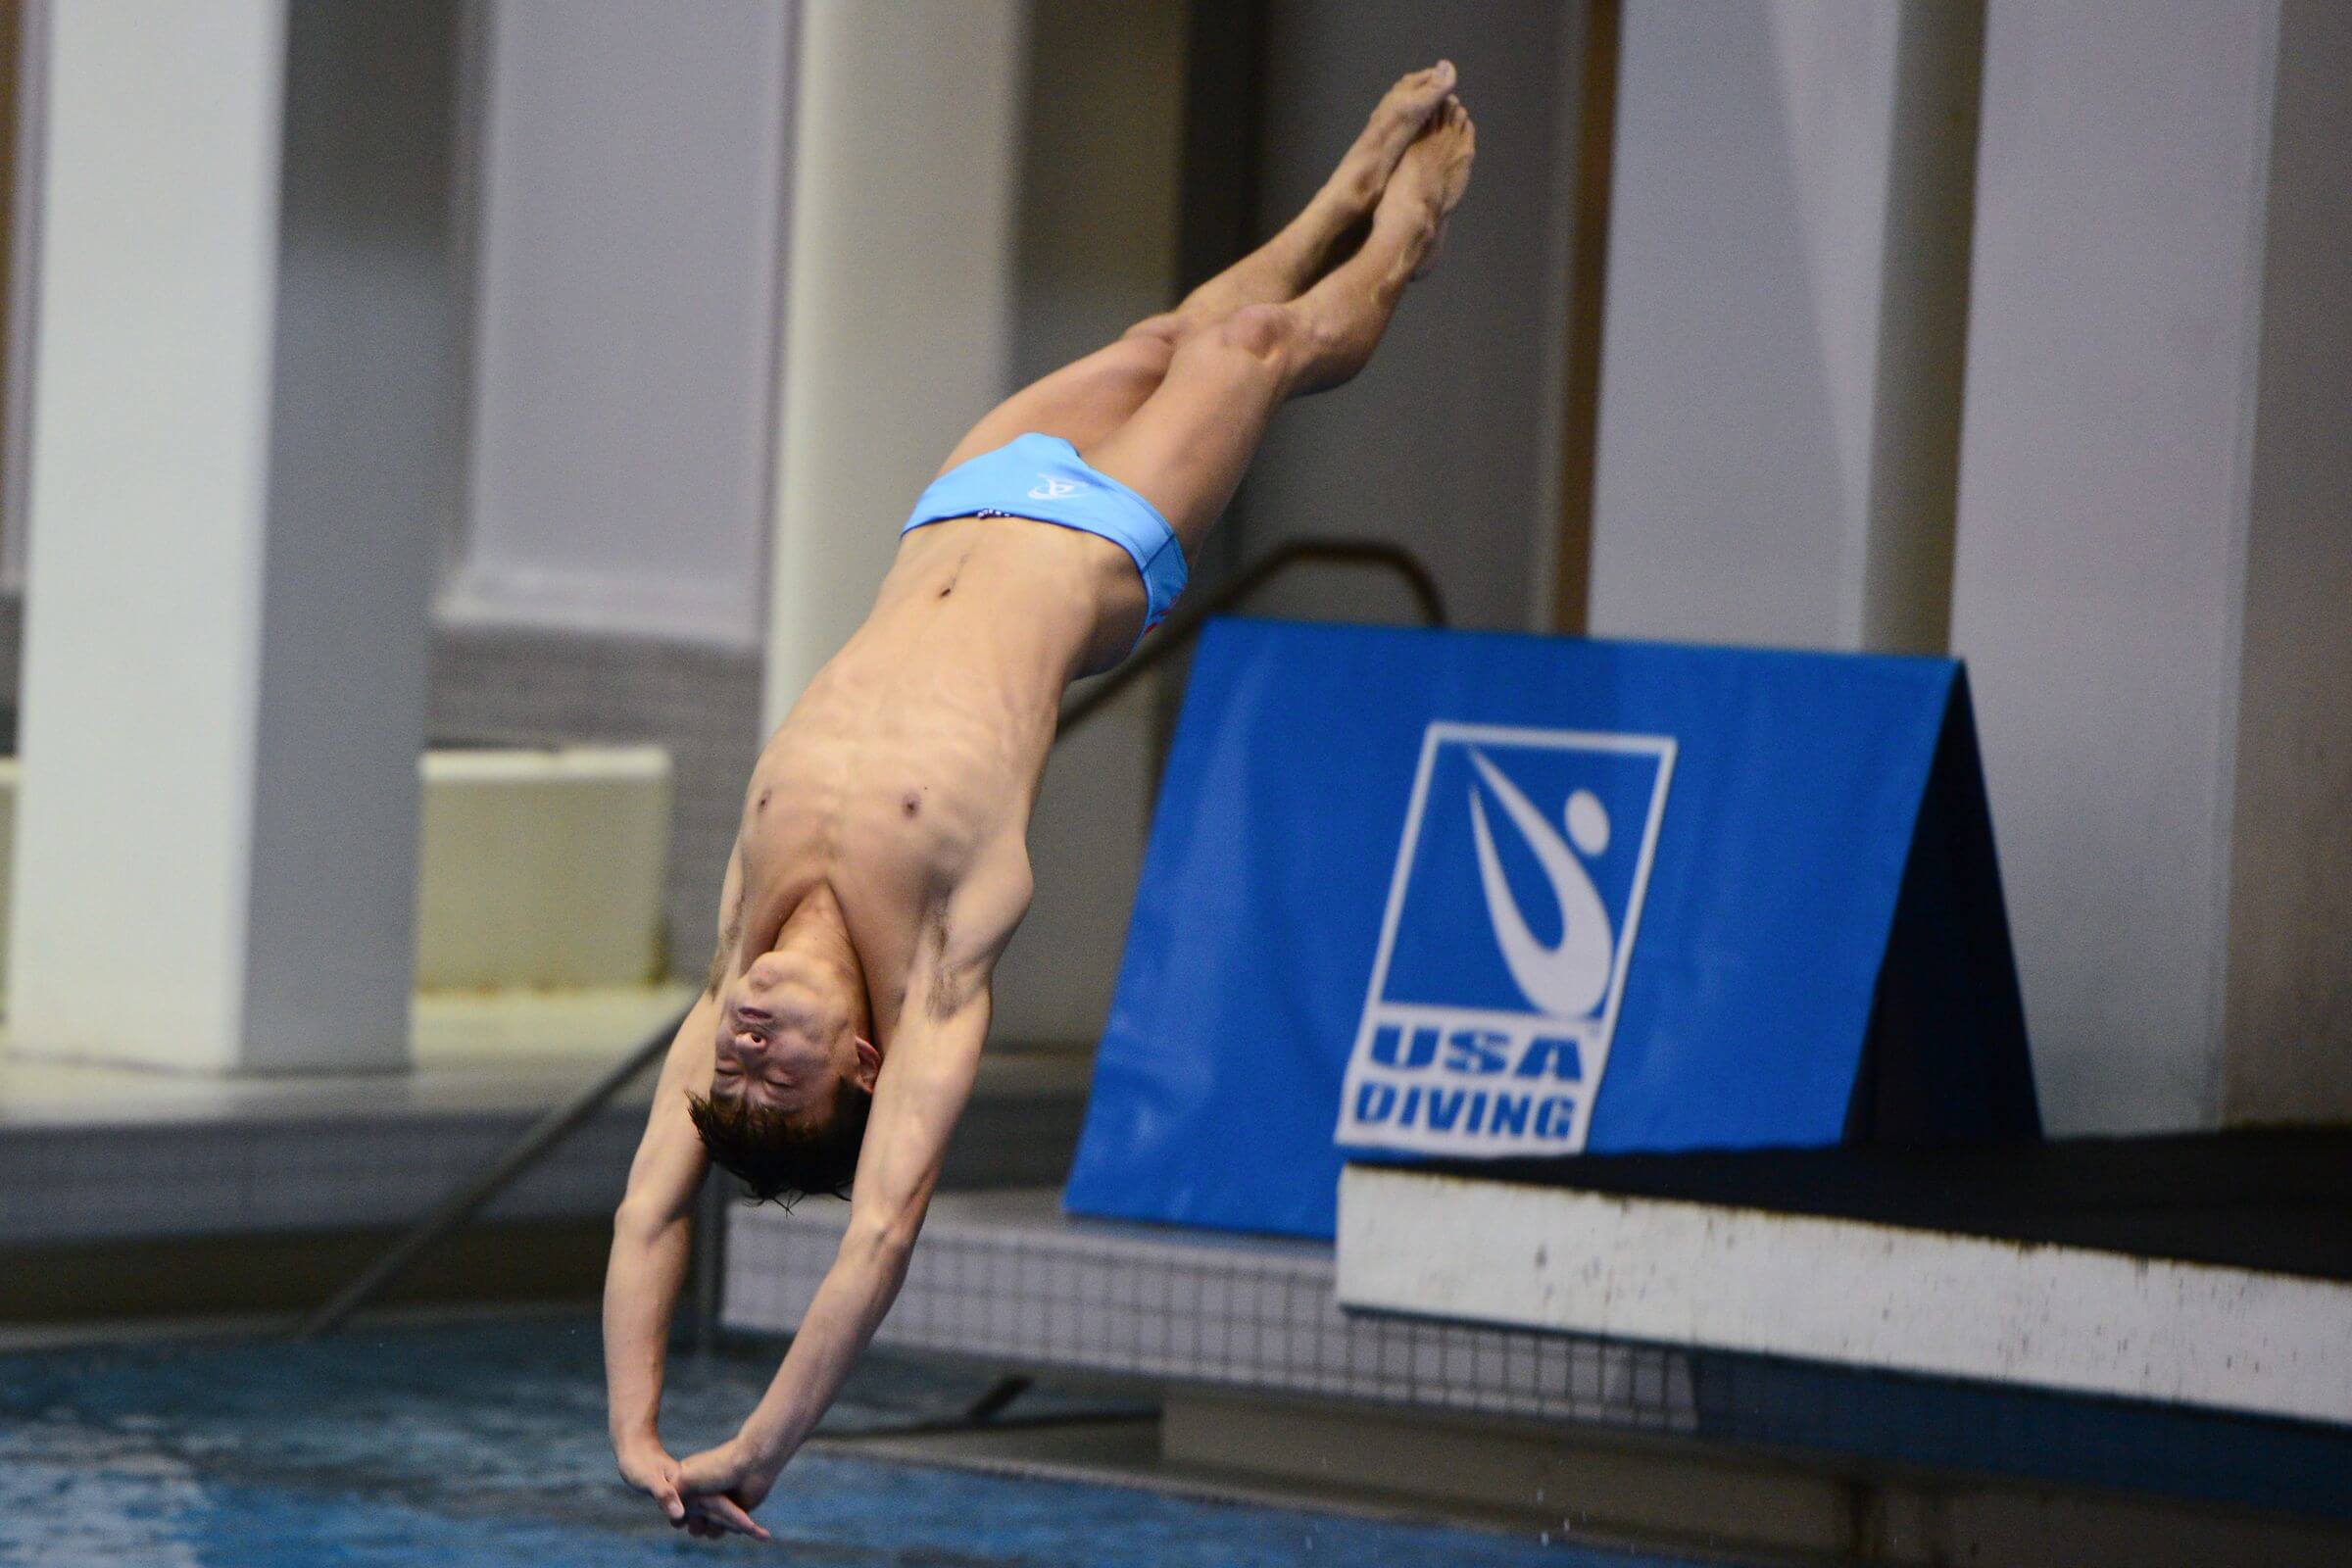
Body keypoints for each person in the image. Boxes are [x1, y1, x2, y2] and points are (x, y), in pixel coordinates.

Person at [602, 64, 1475, 1542]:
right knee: (1255, 346)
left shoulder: (738, 950)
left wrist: (630, 1424)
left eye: (728, 1074)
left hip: (955, 509)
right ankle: (1397, 243)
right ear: (862, 1065)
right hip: (1096, 557)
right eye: (775, 1079)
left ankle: (1332, 194)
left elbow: (645, 1214)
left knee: (1158, 339)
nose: (740, 1049)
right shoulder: (942, 972)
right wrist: (757, 1446)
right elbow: (880, 1233)